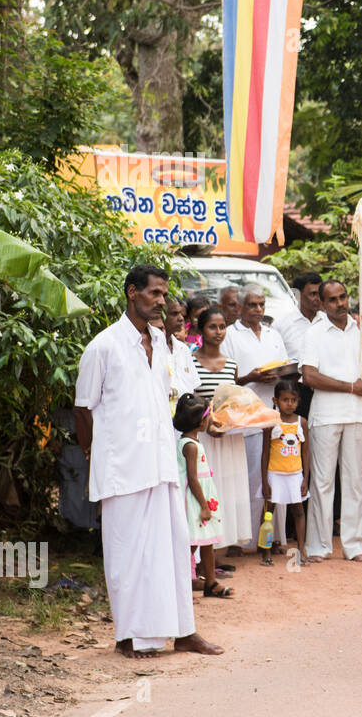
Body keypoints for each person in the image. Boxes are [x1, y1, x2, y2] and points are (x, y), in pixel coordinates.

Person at [74, 264, 221, 659]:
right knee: (127, 556)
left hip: (161, 464)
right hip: (122, 468)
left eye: (164, 294)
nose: (161, 301)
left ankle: (184, 632)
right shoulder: (103, 347)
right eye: (155, 293)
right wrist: (96, 453)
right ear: (132, 293)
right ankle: (130, 636)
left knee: (173, 551)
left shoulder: (163, 344)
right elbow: (83, 409)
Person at [300, 279, 362, 563]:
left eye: (343, 297)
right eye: (333, 300)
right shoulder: (314, 332)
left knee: (353, 482)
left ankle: (354, 546)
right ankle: (319, 546)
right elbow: (309, 376)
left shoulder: (359, 330)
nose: (340, 303)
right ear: (323, 304)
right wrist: (350, 387)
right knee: (323, 483)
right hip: (325, 415)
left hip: (357, 415)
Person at [225, 284, 289, 551]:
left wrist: (282, 374)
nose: (258, 310)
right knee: (250, 478)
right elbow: (226, 379)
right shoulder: (229, 335)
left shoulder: (274, 334)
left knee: (277, 477)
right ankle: (246, 540)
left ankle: (273, 539)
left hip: (274, 414)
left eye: (261, 304)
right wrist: (251, 377)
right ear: (240, 307)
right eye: (252, 305)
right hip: (246, 417)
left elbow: (286, 367)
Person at [192, 307, 253, 554]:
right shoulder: (191, 362)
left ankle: (220, 550)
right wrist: (208, 425)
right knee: (206, 490)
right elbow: (191, 401)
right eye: (212, 327)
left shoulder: (232, 365)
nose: (218, 332)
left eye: (222, 327)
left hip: (229, 438)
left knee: (228, 491)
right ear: (201, 330)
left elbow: (233, 402)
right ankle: (204, 553)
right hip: (204, 437)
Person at [174, 393, 231, 598]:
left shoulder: (193, 442)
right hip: (196, 500)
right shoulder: (190, 446)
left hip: (202, 499)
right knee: (191, 543)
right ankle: (179, 581)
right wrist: (204, 506)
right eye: (208, 416)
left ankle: (211, 583)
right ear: (200, 422)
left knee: (206, 541)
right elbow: (192, 478)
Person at [261, 379, 310, 563]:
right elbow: (265, 453)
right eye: (285, 400)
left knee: (298, 511)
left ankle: (301, 549)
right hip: (275, 474)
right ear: (275, 400)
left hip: (295, 474)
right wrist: (265, 481)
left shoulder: (301, 422)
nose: (289, 404)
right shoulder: (271, 423)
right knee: (268, 513)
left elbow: (306, 452)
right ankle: (265, 551)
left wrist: (305, 479)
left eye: (293, 400)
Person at [277, 272, 324, 418]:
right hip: (295, 392)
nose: (318, 299)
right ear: (298, 295)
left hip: (325, 391)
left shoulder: (328, 323)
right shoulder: (282, 325)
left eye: (320, 294)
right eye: (312, 294)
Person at [163, 296, 199, 409]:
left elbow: (193, 388)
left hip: (184, 421)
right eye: (174, 314)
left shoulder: (183, 349)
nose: (181, 319)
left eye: (181, 315)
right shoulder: (152, 349)